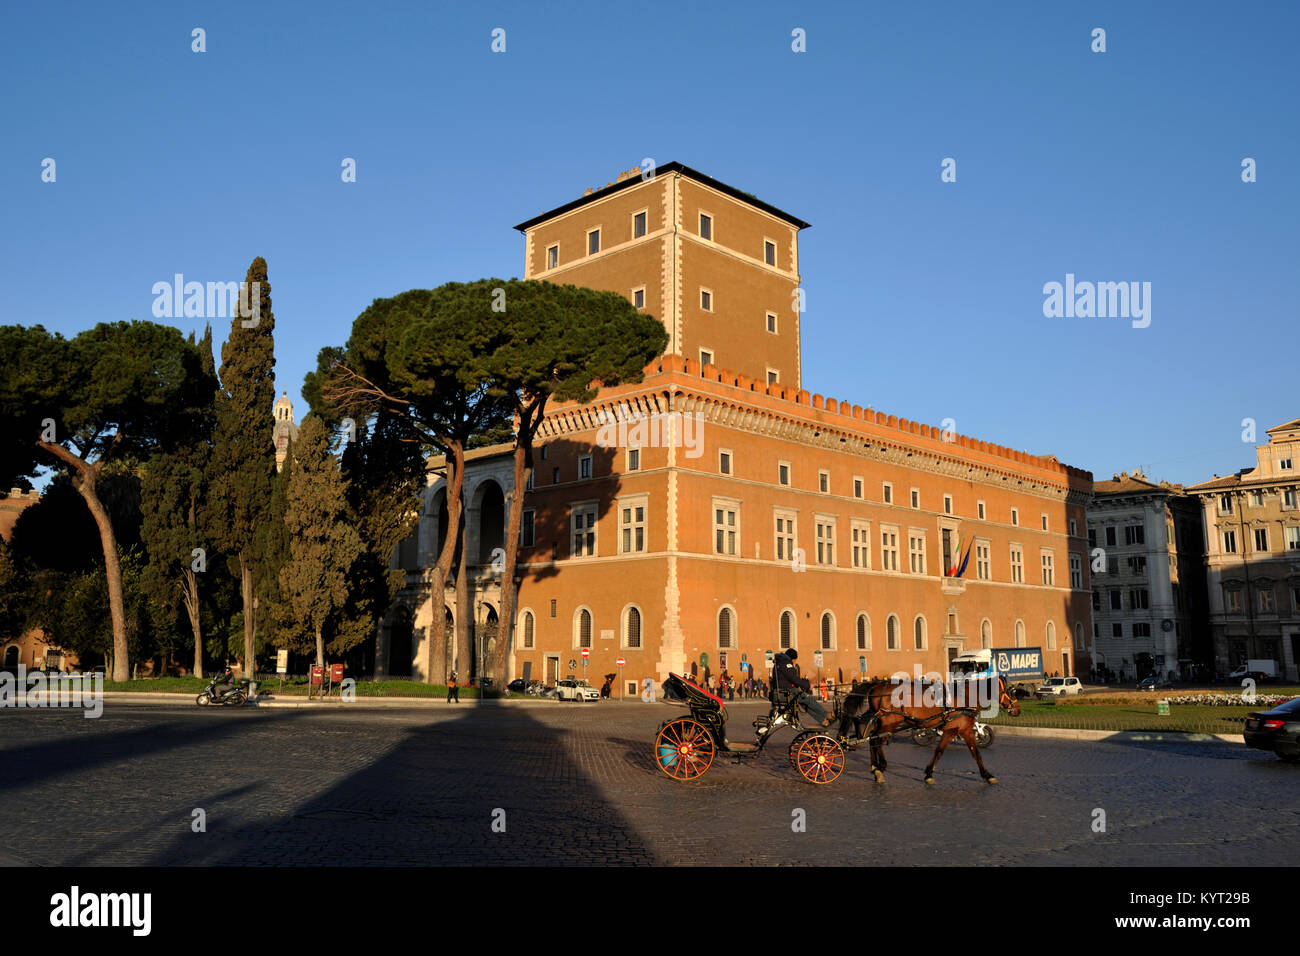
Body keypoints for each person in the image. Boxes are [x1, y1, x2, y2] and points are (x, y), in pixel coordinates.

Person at [773, 650, 831, 727]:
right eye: (794, 660)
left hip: (784, 690)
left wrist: (804, 682)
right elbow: (793, 679)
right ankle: (826, 714)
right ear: (792, 658)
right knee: (808, 698)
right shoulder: (786, 663)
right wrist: (807, 685)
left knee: (805, 703)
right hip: (787, 692)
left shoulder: (780, 662)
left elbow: (791, 679)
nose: (794, 662)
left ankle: (822, 720)